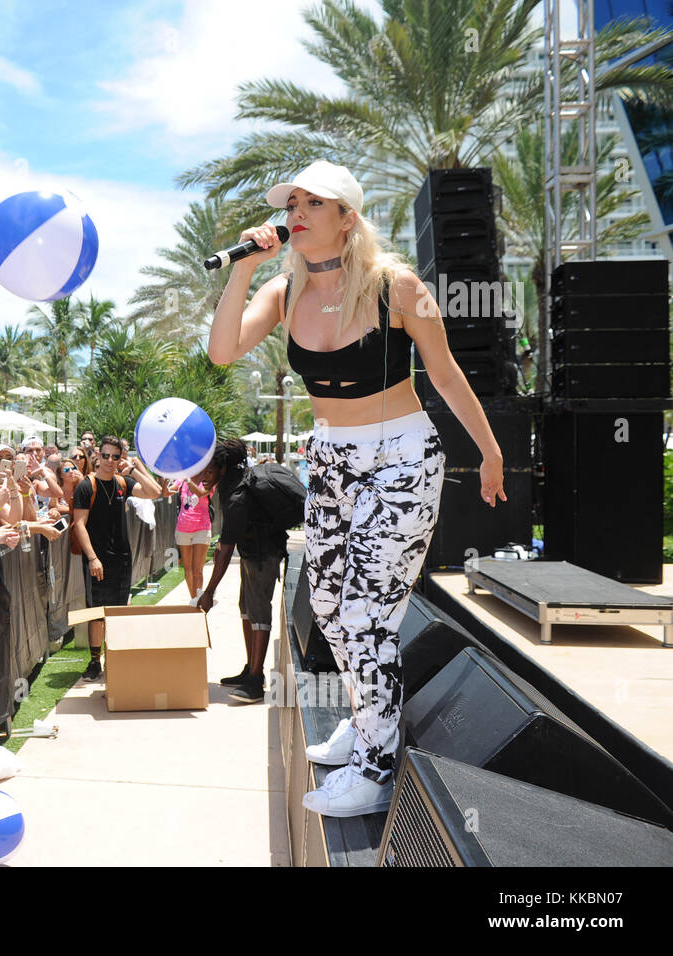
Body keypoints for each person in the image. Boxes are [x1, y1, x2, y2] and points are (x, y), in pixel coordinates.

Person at [207, 160, 505, 818]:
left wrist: (489, 451)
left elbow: (447, 375)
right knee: (332, 608)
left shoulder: (396, 286)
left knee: (368, 613)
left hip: (401, 456)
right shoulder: (284, 293)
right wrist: (242, 270)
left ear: (348, 218)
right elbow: (223, 351)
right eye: (292, 203)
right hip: (334, 459)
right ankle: (363, 717)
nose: (297, 212)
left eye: (315, 202)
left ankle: (374, 767)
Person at [194, 439, 298, 703]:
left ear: (223, 468)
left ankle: (254, 682)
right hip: (252, 551)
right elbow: (227, 541)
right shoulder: (231, 484)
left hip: (264, 554)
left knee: (259, 612)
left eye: (207, 471)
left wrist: (209, 592)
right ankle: (250, 668)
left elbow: (227, 551)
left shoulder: (238, 495)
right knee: (246, 609)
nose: (201, 477)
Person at [70, 435, 162, 681]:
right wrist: (92, 558)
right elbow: (78, 525)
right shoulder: (86, 486)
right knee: (97, 611)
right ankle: (94, 660)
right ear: (98, 455)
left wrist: (135, 469)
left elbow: (155, 492)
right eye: (106, 455)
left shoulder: (123, 482)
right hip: (97, 558)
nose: (110, 461)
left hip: (122, 557)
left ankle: (117, 656)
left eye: (115, 456)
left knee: (119, 609)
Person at [171, 473, 212, 605]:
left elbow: (201, 493)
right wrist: (165, 483)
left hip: (202, 527)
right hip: (183, 527)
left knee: (197, 570)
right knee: (187, 568)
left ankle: (199, 600)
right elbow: (168, 491)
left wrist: (187, 480)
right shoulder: (181, 478)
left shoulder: (208, 479)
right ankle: (194, 599)